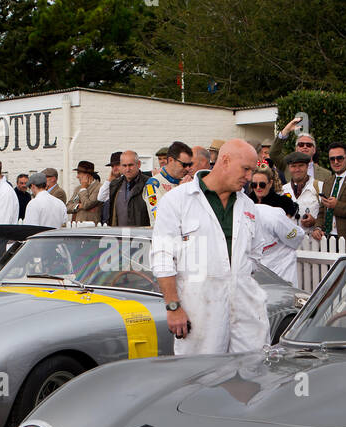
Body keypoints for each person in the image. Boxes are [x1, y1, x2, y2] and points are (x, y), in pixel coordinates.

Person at [151, 139, 269, 355]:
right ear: (225, 160)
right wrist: (173, 307)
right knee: (199, 378)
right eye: (246, 169)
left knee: (250, 375)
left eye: (252, 171)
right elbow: (163, 257)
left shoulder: (248, 205)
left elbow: (255, 252)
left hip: (245, 311)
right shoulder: (177, 200)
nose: (249, 177)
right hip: (198, 312)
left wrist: (237, 277)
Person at [144, 141, 192, 222]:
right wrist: (180, 192)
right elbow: (160, 216)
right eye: (184, 165)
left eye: (189, 165)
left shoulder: (186, 182)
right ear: (170, 160)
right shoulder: (154, 184)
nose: (187, 168)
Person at [104, 150, 151, 227]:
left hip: (141, 236)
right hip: (119, 236)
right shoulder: (115, 185)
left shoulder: (149, 183)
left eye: (130, 165)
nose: (127, 169)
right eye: (124, 166)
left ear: (138, 164)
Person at [281, 152, 322, 230]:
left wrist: (315, 222)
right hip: (289, 240)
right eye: (293, 166)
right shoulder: (282, 191)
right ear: (289, 168)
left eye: (301, 166)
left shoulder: (319, 187)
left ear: (307, 166)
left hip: (312, 240)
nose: (297, 169)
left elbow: (327, 216)